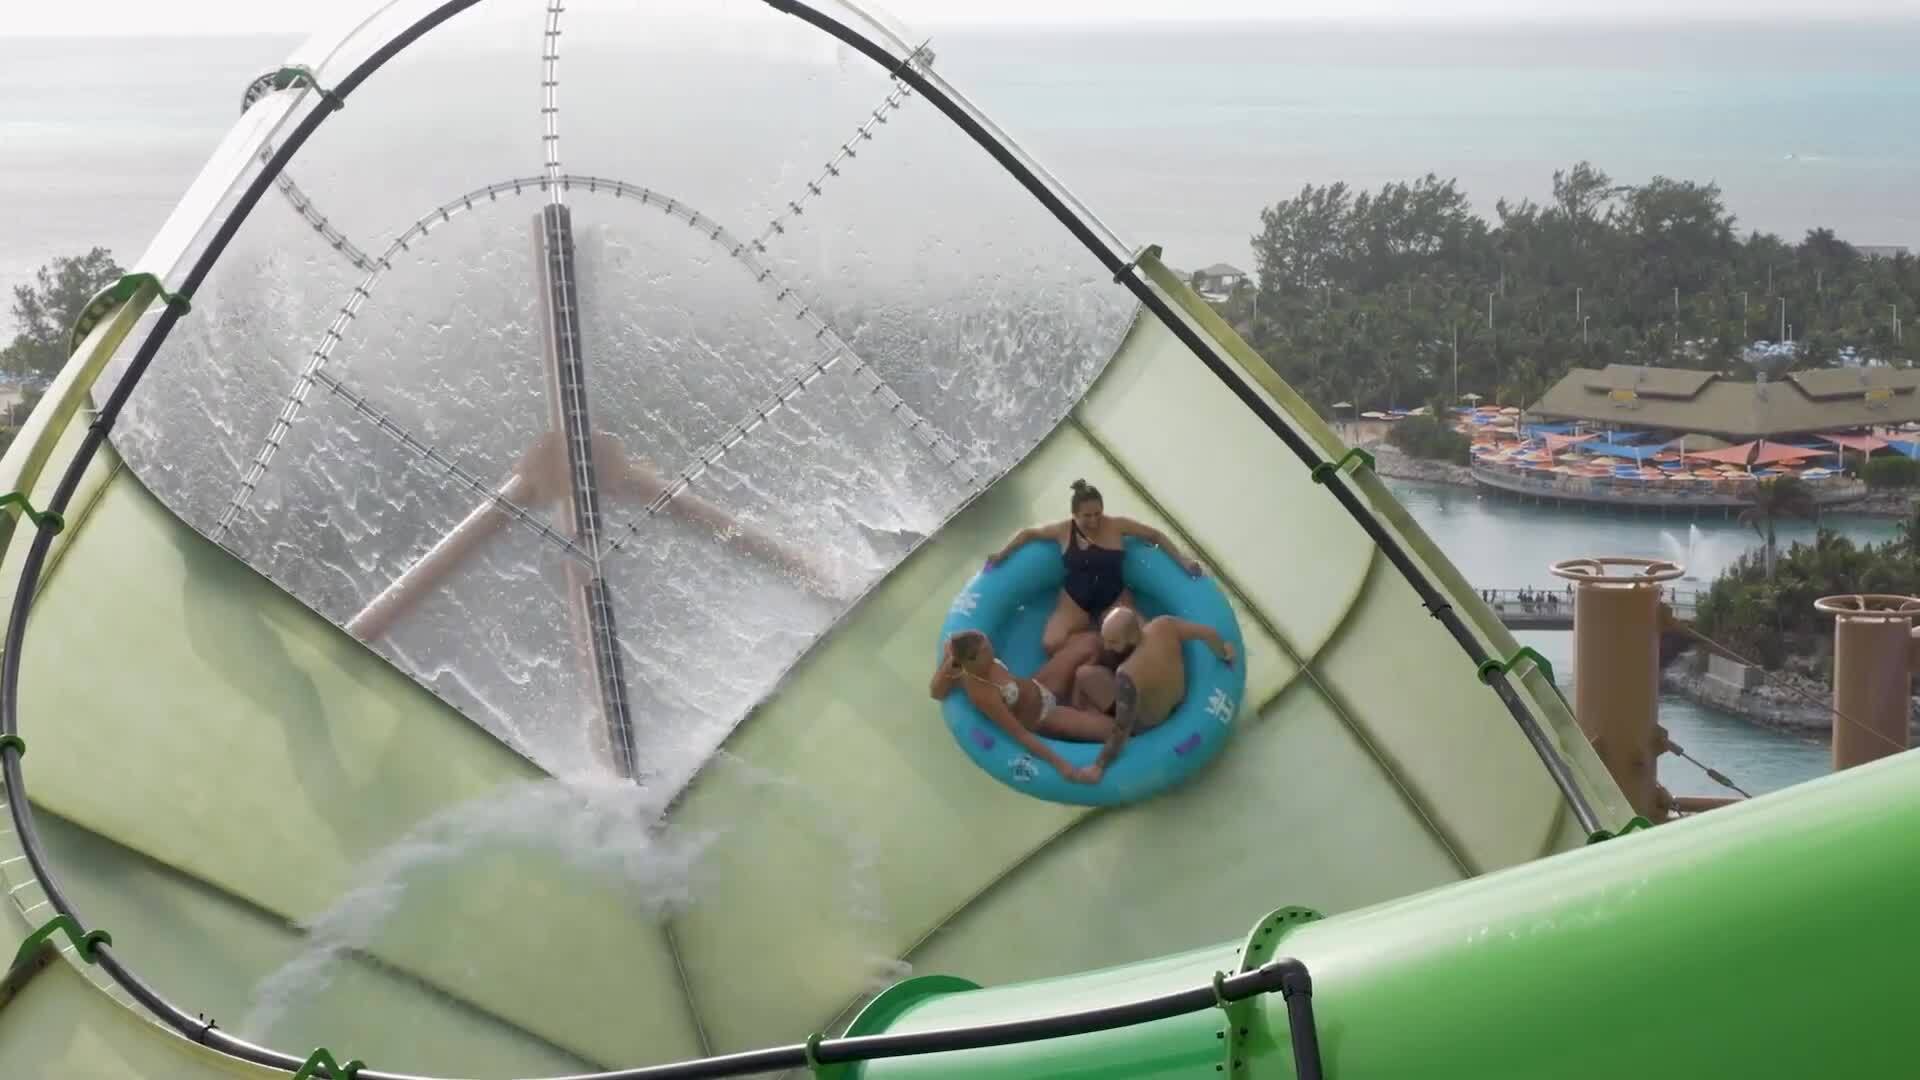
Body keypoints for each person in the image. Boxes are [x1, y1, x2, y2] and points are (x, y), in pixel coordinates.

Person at [986, 479, 1203, 656]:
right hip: (1074, 600)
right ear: (1074, 515)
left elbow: (1154, 535)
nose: (1094, 520)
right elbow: (1028, 533)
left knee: (1143, 641)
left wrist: (1183, 561)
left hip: (1114, 598)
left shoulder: (1117, 525)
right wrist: (1002, 555)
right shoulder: (1063, 530)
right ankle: (1096, 642)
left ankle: (1105, 639)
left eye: (1098, 513)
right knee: (1051, 644)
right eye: (1086, 516)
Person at [1067, 607, 1234, 783]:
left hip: (1149, 724)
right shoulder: (1165, 625)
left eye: (1113, 642)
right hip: (1178, 699)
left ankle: (1084, 710)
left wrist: (1099, 766)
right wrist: (1224, 652)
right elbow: (1208, 632)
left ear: (1131, 637)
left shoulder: (1127, 673)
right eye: (1105, 639)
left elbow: (1122, 729)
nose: (1107, 646)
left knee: (1083, 674)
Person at [928, 629, 1114, 784]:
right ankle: (1081, 700)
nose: (991, 651)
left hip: (1039, 686)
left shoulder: (958, 651)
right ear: (971, 661)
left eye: (987, 645)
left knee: (1090, 643)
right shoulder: (984, 695)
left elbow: (935, 689)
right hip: (1045, 717)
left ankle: (1079, 695)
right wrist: (1064, 767)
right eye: (986, 651)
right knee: (1111, 730)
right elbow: (1021, 734)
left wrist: (948, 665)